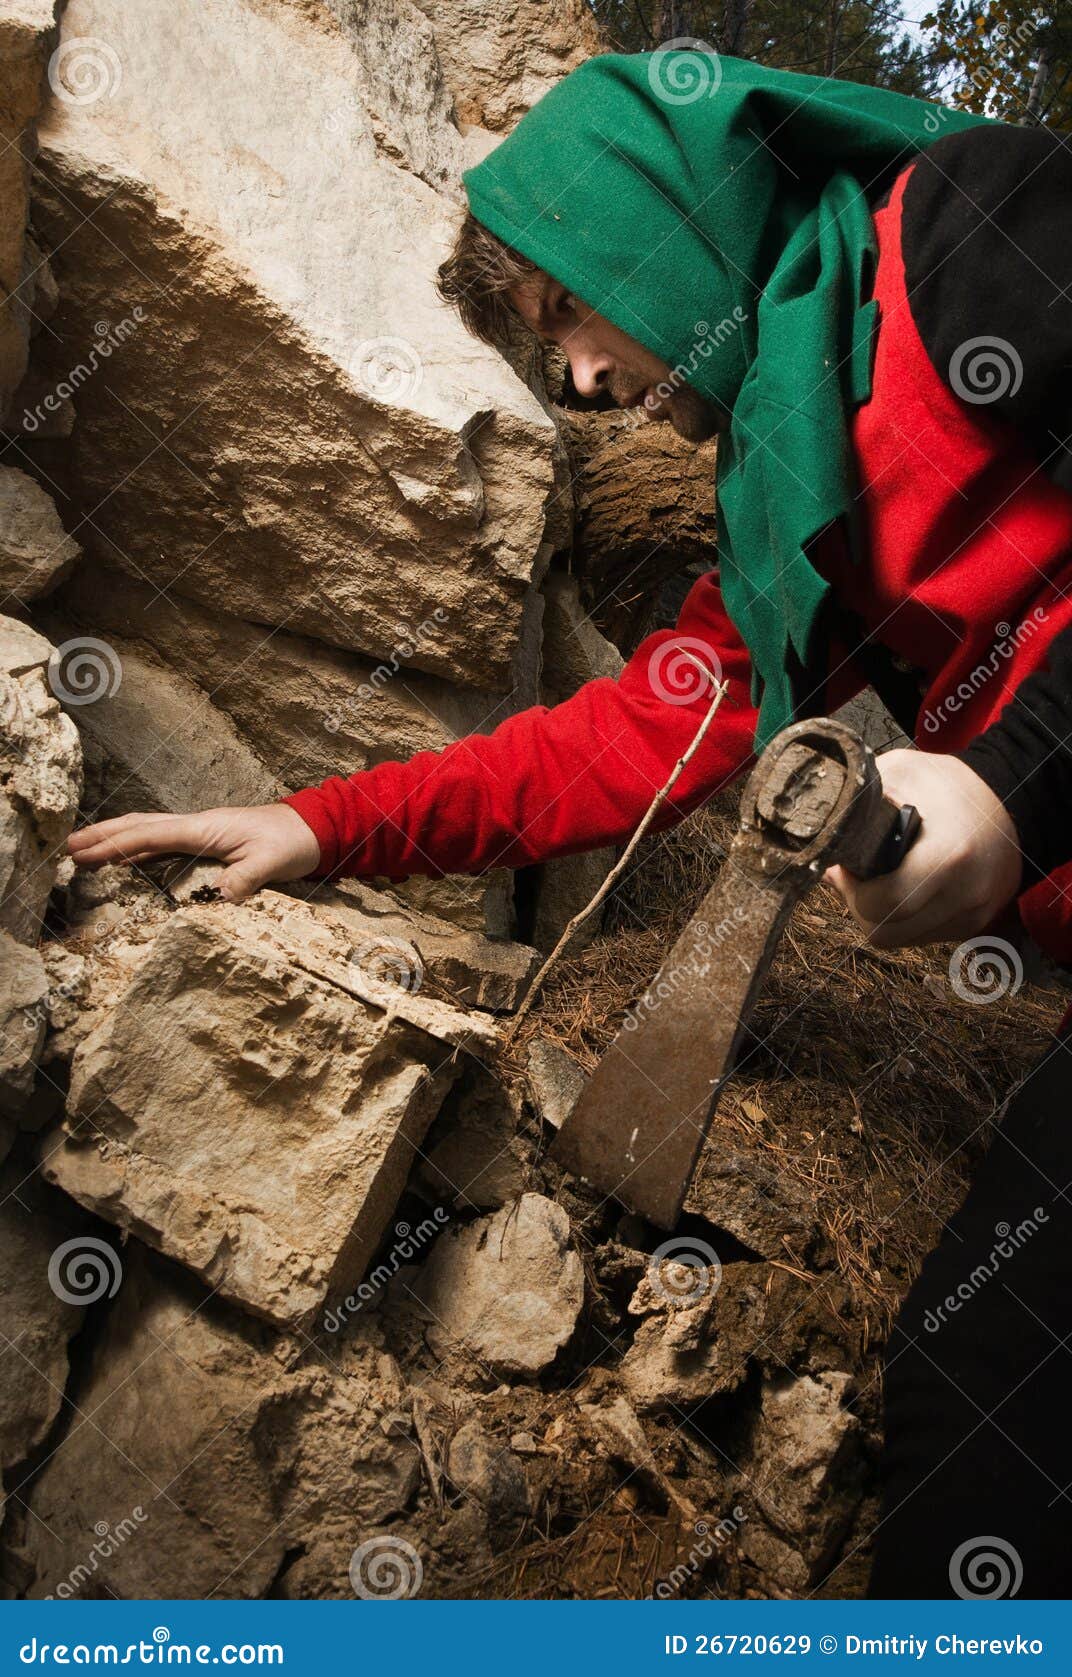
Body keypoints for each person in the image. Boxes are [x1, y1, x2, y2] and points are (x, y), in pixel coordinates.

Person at [66, 53, 1072, 1597]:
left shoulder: (981, 229)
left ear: (647, 221)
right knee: (979, 1417)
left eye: (562, 317)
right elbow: (626, 740)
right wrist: (317, 823)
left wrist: (1022, 773)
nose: (583, 384)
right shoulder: (788, 513)